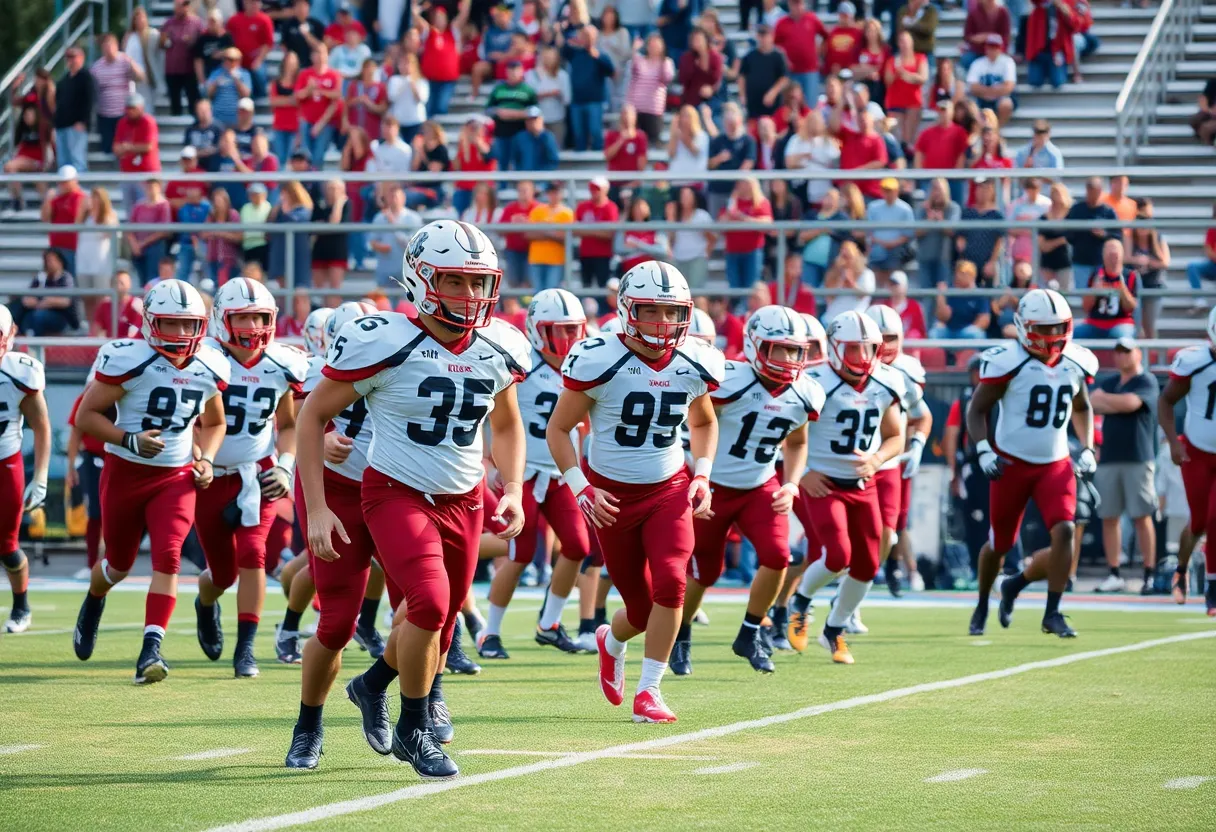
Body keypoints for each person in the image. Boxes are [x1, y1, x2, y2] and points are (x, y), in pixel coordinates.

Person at [300, 221, 527, 776]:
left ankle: (372, 684)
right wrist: (318, 507)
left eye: (478, 282)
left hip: (464, 498)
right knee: (426, 602)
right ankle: (412, 729)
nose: (470, 294)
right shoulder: (385, 339)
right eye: (454, 280)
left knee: (441, 622)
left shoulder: (498, 345)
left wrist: (514, 488)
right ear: (422, 279)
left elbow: (507, 424)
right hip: (396, 491)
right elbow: (312, 415)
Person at [547, 260, 724, 723]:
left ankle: (650, 691)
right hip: (610, 495)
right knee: (641, 609)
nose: (663, 322)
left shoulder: (693, 359)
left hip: (669, 487)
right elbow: (559, 429)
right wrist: (581, 487)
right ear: (628, 309)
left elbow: (704, 422)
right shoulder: (600, 357)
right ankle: (610, 640)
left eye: (672, 312)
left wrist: (702, 474)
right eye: (651, 310)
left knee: (672, 581)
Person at [72, 280, 228, 683]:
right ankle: (94, 597)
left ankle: (150, 650)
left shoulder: (209, 365)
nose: (181, 333)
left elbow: (214, 423)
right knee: (118, 565)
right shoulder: (129, 359)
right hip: (125, 471)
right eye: (171, 323)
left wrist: (207, 459)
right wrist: (128, 439)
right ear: (150, 323)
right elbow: (86, 416)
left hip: (176, 476)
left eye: (188, 324)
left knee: (169, 556)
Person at [672, 307, 822, 675]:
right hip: (714, 486)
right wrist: (695, 474)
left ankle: (750, 632)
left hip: (760, 485)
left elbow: (797, 442)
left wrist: (791, 482)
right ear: (755, 346)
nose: (787, 358)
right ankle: (681, 633)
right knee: (705, 570)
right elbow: (692, 421)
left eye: (794, 350)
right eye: (778, 349)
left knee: (778, 556)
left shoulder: (804, 392)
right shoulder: (728, 380)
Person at [278, 300, 391, 763]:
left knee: (428, 606)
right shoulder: (316, 370)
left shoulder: (405, 358)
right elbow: (300, 420)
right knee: (337, 622)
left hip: (396, 491)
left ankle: (408, 698)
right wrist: (321, 438)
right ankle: (308, 725)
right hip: (338, 491)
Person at [192, 278, 308, 678]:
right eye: (243, 317)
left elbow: (288, 425)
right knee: (222, 574)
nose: (254, 326)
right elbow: (187, 421)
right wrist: (199, 457)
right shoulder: (202, 359)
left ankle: (245, 650)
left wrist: (286, 465)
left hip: (258, 472)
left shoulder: (281, 363)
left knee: (254, 554)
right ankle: (206, 602)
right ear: (222, 319)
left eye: (261, 317)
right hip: (209, 477)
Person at [966, 289, 1098, 639]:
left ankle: (1052, 612)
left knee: (1065, 530)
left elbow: (1082, 406)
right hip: (1011, 464)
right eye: (1044, 328)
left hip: (1055, 463)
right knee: (1000, 544)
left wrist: (1087, 447)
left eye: (1058, 327)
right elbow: (977, 410)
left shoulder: (1075, 361)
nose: (1052, 336)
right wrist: (984, 449)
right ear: (1024, 327)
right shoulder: (1008, 361)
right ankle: (983, 602)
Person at [477, 289, 593, 658]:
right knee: (521, 552)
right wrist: (492, 462)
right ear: (536, 330)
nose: (568, 339)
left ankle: (550, 624)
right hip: (524, 473)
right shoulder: (521, 362)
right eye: (558, 330)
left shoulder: (586, 363)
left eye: (573, 329)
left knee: (578, 546)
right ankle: (490, 632)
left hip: (561, 473)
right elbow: (492, 417)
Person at [785, 311, 905, 663]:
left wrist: (877, 459)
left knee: (868, 565)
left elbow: (896, 436)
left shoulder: (886, 381)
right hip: (823, 482)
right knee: (838, 556)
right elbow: (780, 432)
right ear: (836, 348)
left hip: (863, 483)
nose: (863, 357)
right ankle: (800, 602)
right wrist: (803, 472)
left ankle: (834, 629)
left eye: (868, 348)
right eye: (853, 348)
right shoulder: (813, 382)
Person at [1158, 307, 1216, 616]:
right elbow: (1166, 400)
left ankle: (1212, 589)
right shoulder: (1195, 362)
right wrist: (1172, 441)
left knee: (1215, 519)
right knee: (1200, 521)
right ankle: (1181, 570)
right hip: (1197, 450)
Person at [1090, 338, 1159, 595]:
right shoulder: (1110, 382)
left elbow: (1132, 403)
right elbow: (1092, 402)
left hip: (1138, 457)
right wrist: (1116, 401)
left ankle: (1149, 574)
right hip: (1109, 457)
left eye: (1127, 352)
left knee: (1142, 516)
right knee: (1109, 517)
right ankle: (1114, 573)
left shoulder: (1146, 381)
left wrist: (1108, 401)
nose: (1122, 356)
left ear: (1138, 354)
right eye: (1118, 352)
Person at [0, 306, 49, 633]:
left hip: (5, 463)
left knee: (6, 546)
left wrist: (40, 477)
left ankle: (21, 606)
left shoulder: (19, 373)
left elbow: (41, 427)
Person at [562, 26, 614, 152]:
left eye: (590, 36)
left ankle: (597, 158)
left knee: (595, 132)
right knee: (578, 134)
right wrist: (569, 36)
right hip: (577, 101)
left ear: (595, 38)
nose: (587, 39)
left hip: (595, 102)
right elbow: (562, 49)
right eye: (584, 35)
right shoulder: (574, 53)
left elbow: (611, 71)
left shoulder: (601, 54)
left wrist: (598, 57)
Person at [92, 33, 146, 156]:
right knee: (107, 148)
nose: (108, 50)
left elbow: (141, 78)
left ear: (116, 46)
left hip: (124, 113)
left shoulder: (125, 61)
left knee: (124, 148)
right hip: (105, 114)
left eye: (110, 46)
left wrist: (131, 62)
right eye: (105, 47)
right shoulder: (97, 67)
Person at [1075, 239, 1138, 341]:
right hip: (1095, 323)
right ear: (1103, 255)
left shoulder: (1130, 276)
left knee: (1123, 340)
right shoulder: (1096, 275)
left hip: (1121, 322)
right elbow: (1086, 307)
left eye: (1115, 254)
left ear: (1122, 255)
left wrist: (1122, 290)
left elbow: (1131, 308)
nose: (1113, 258)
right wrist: (1094, 291)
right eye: (1109, 254)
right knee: (1073, 335)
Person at [296, 44, 344, 163]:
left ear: (327, 55)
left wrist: (320, 90)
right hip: (307, 120)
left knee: (318, 156)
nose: (320, 56)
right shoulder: (305, 74)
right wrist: (309, 89)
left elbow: (337, 96)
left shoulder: (334, 75)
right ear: (312, 56)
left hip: (326, 122)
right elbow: (298, 96)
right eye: (317, 53)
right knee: (305, 156)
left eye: (323, 53)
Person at [627, 34, 676, 144]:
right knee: (635, 142)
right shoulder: (640, 60)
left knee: (653, 142)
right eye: (652, 45)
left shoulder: (666, 62)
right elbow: (632, 69)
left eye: (657, 45)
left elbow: (666, 78)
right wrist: (634, 50)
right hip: (636, 108)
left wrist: (662, 61)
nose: (654, 48)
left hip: (654, 109)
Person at [52, 47, 92, 173]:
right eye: (68, 58)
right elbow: (57, 101)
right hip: (62, 125)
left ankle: (79, 184)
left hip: (76, 126)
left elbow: (90, 100)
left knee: (77, 160)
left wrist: (83, 121)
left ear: (82, 58)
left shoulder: (86, 77)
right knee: (63, 162)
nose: (71, 61)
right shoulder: (64, 79)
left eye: (74, 57)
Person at [866, 178, 914, 283]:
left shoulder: (905, 209)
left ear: (897, 191)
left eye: (891, 190)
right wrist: (879, 243)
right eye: (885, 190)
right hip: (877, 248)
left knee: (892, 274)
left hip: (896, 250)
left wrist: (890, 244)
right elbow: (869, 231)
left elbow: (908, 234)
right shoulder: (873, 207)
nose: (888, 193)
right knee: (875, 272)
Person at [575, 178, 619, 289]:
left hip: (603, 255)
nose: (594, 191)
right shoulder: (583, 206)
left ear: (605, 190)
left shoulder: (610, 207)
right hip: (585, 253)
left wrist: (587, 230)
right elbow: (575, 230)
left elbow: (609, 234)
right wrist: (598, 231)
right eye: (592, 188)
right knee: (586, 286)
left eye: (597, 189)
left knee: (603, 286)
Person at [739, 24, 788, 123]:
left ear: (772, 37)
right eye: (760, 36)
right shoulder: (749, 56)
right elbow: (742, 77)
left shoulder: (778, 56)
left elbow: (784, 78)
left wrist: (773, 93)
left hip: (772, 103)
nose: (763, 39)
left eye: (766, 36)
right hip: (753, 102)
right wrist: (742, 95)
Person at [930, 260, 989, 340]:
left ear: (973, 275)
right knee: (934, 333)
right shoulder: (949, 291)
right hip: (949, 330)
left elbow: (984, 319)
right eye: (960, 273)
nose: (961, 276)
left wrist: (972, 328)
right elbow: (942, 317)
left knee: (976, 334)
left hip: (968, 330)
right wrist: (941, 298)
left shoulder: (979, 294)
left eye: (966, 273)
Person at [227, 0, 275, 98]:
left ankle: (261, 98)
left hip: (256, 59)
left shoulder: (264, 19)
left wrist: (259, 60)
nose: (254, 5)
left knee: (258, 72)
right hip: (238, 60)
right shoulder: (234, 20)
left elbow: (268, 43)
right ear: (245, 3)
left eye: (256, 2)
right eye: (251, 2)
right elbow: (226, 38)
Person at [966, 35, 1016, 125]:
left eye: (995, 47)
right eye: (990, 47)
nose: (992, 50)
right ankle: (981, 128)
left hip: (1000, 98)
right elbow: (972, 87)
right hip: (981, 98)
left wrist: (987, 91)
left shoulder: (1007, 62)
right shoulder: (977, 63)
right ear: (986, 48)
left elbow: (1009, 87)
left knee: (1006, 104)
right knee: (969, 105)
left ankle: (997, 129)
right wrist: (990, 92)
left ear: (1000, 48)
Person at [91, 270, 144, 338]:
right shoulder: (104, 305)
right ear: (110, 284)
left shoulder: (136, 305)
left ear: (129, 283)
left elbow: (136, 333)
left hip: (129, 343)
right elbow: (95, 331)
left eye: (122, 283)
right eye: (116, 283)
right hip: (111, 342)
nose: (119, 286)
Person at [1191, 73, 1216, 147]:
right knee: (1196, 119)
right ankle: (1210, 140)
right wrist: (1209, 110)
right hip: (1210, 112)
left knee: (1206, 128)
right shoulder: (1213, 83)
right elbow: (1203, 99)